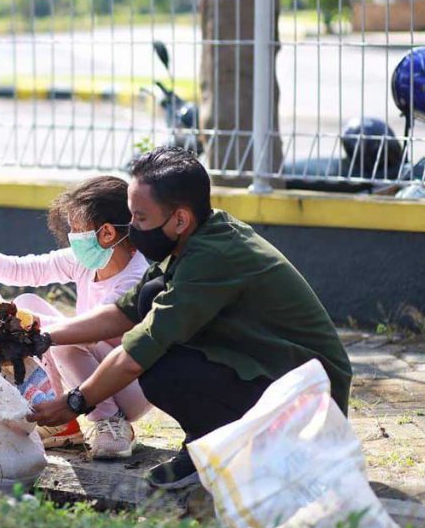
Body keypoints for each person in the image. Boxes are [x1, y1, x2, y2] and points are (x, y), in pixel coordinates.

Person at [27, 147, 352, 489]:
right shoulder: (195, 237)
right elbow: (125, 311)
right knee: (152, 295)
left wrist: (76, 401)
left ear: (179, 219)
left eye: (140, 218)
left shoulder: (211, 257)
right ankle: (215, 440)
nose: (132, 228)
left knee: (160, 368)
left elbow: (136, 353)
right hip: (278, 372)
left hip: (312, 400)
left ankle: (213, 449)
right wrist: (43, 336)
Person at [0, 176, 151, 457]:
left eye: (77, 230)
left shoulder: (136, 278)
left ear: (107, 233)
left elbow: (93, 328)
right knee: (27, 302)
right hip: (94, 373)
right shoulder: (87, 262)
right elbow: (30, 270)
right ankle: (65, 425)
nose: (72, 237)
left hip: (131, 385)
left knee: (61, 337)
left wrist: (21, 321)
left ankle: (109, 423)